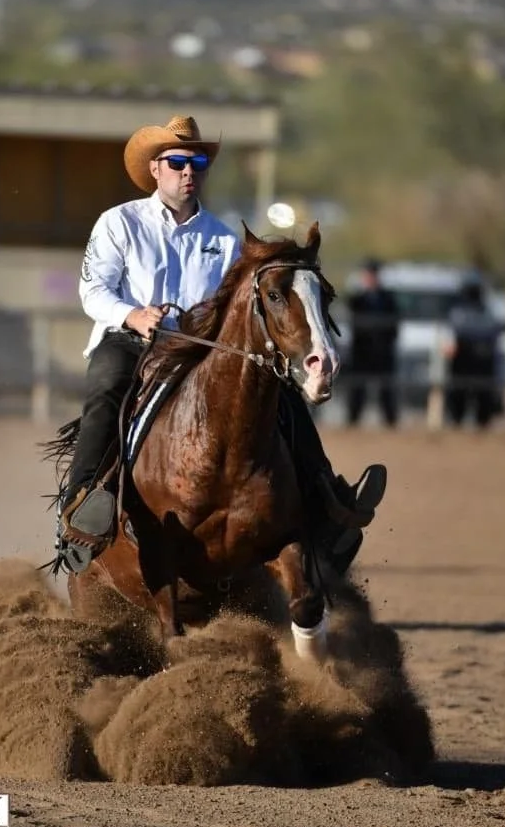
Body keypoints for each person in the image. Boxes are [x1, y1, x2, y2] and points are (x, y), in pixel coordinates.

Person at [55, 114, 387, 575]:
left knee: (284, 399)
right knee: (107, 383)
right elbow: (93, 291)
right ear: (155, 169)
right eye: (178, 162)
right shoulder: (118, 223)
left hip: (203, 353)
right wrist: (132, 314)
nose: (189, 171)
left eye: (198, 163)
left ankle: (328, 504)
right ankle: (81, 506)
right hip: (132, 342)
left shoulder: (224, 239)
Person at [346, 259, 400, 427]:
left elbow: (395, 324)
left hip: (383, 351)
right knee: (357, 389)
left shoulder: (388, 298)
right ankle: (353, 421)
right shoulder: (357, 300)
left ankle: (390, 422)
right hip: (362, 351)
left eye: (373, 274)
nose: (370, 278)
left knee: (386, 389)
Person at [445, 277, 503, 428]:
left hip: (482, 358)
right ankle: (457, 421)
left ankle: (481, 423)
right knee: (459, 394)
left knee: (483, 395)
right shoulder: (459, 312)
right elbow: (453, 332)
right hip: (464, 358)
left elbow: (494, 332)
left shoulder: (485, 311)